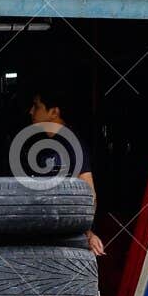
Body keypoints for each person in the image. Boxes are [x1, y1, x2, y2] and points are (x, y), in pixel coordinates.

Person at [26, 92, 104, 257]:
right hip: (46, 236)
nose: (31, 112)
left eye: (37, 106)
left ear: (54, 112)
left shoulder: (72, 143)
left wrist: (87, 233)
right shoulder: (43, 146)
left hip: (67, 237)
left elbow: (90, 193)